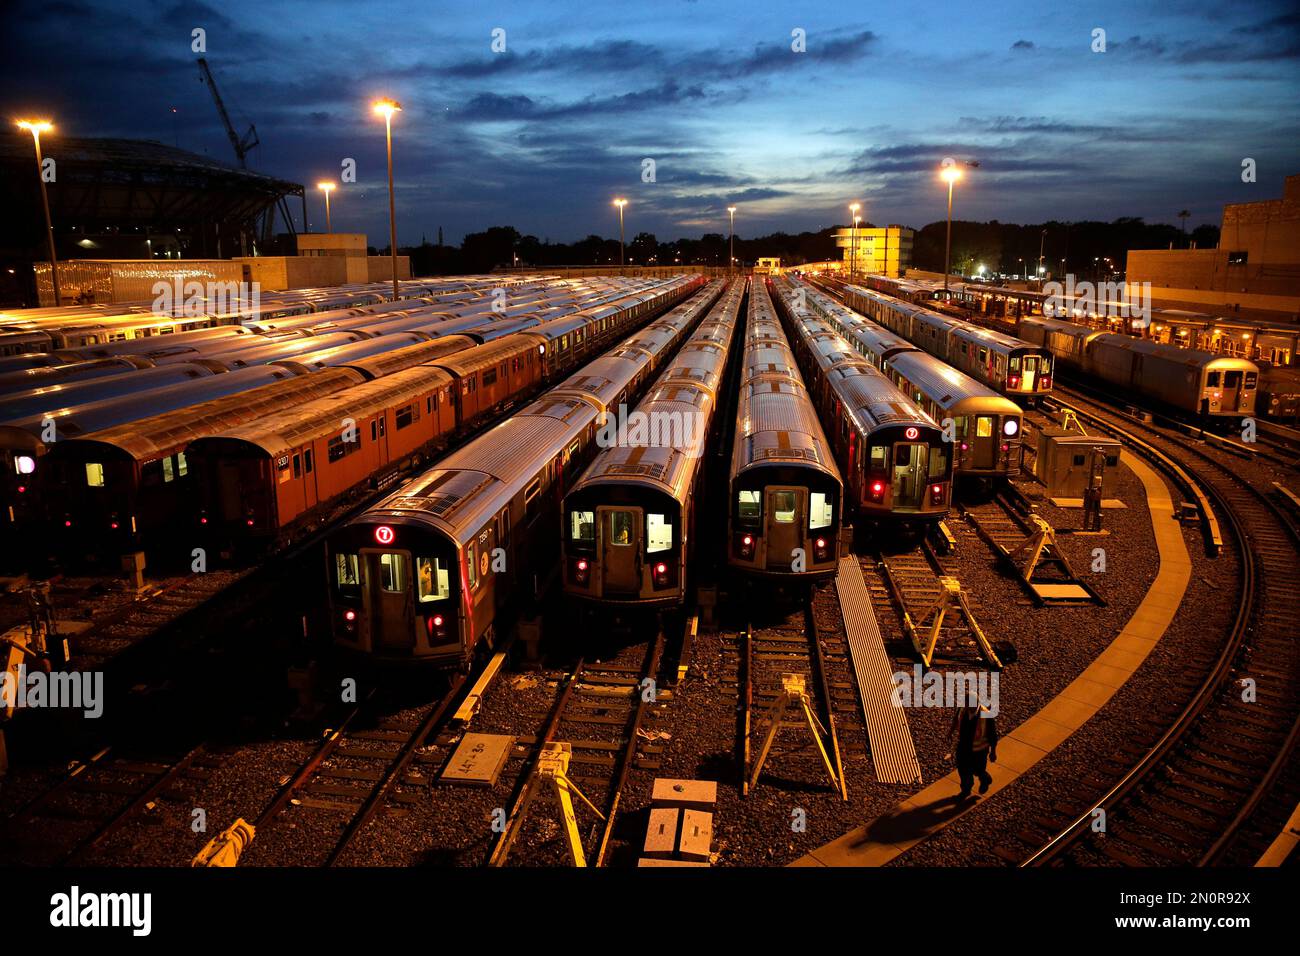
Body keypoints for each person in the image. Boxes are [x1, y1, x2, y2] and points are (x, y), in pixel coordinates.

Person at [948, 698, 998, 798]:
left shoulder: (986, 715)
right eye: (967, 705)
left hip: (979, 750)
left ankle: (985, 779)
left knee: (978, 770)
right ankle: (966, 790)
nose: (968, 708)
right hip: (963, 747)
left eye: (971, 706)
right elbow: (956, 718)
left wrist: (993, 752)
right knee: (963, 769)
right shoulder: (962, 709)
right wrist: (950, 731)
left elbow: (993, 735)